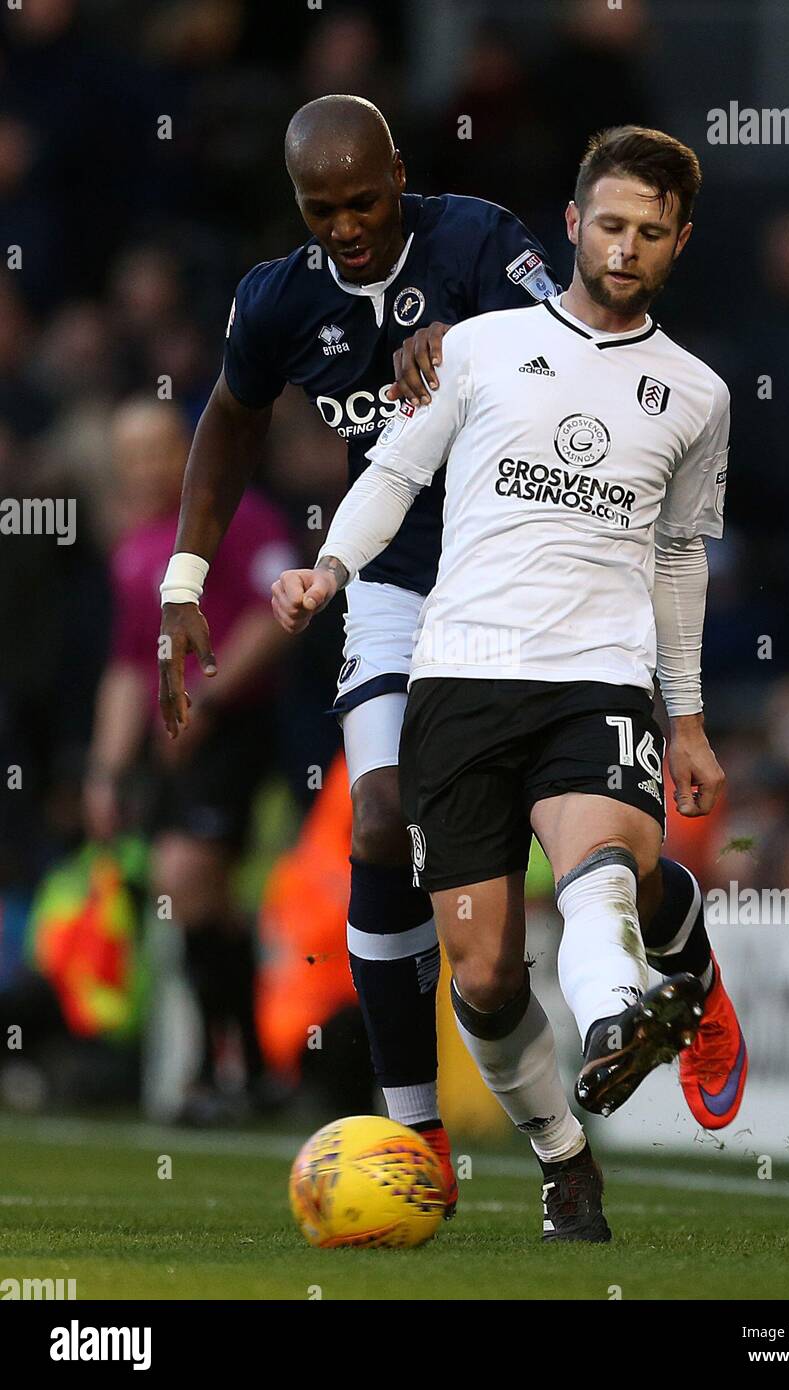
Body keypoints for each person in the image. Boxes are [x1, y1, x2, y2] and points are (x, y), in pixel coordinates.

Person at [271, 126, 748, 1241]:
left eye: (652, 233)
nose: (627, 249)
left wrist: (688, 716)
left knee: (598, 880)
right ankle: (564, 1157)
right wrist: (330, 567)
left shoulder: (698, 394)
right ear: (574, 225)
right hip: (461, 678)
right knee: (483, 977)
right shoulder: (474, 348)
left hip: (599, 678)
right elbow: (393, 474)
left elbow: (681, 556)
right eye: (612, 225)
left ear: (680, 243)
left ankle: (624, 1018)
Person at [157, 95, 561, 1209]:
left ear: (400, 171)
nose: (345, 226)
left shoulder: (479, 239)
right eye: (320, 208)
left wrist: (476, 342)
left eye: (364, 199)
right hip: (386, 582)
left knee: (555, 866)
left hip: (521, 585)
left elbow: (573, 340)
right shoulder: (279, 299)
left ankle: (651, 988)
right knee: (379, 824)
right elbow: (230, 420)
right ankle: (414, 1133)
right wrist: (183, 583)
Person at [85, 398, 295, 1123]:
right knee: (202, 901)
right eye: (129, 454)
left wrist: (208, 698)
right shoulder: (132, 548)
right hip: (172, 739)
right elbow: (123, 669)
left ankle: (216, 1069)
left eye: (155, 449)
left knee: (185, 877)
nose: (142, 466)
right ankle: (253, 1070)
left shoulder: (233, 516)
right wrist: (106, 770)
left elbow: (275, 612)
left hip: (234, 729)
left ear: (185, 450)